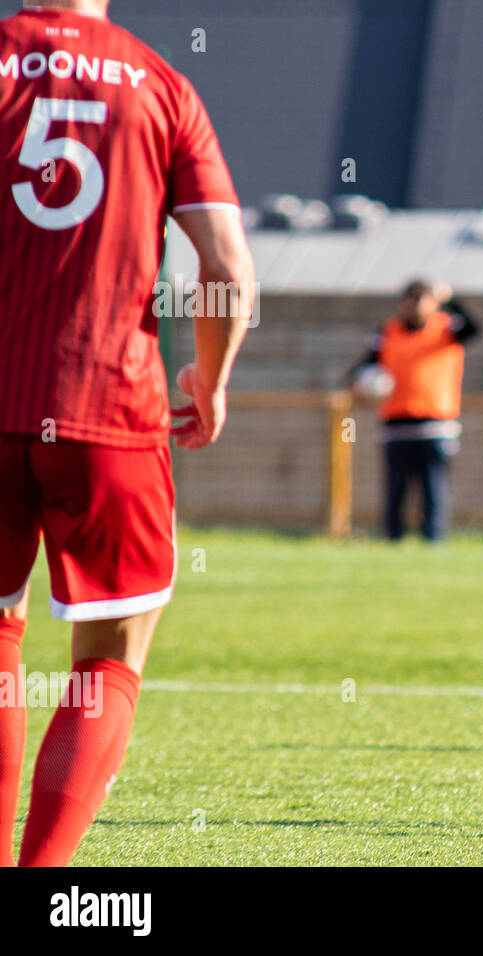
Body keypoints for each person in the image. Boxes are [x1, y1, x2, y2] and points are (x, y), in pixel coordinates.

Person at [0, 0, 253, 865]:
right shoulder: (161, 83)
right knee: (108, 655)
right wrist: (208, 381)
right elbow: (224, 269)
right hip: (109, 407)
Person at [348, 281, 479, 542]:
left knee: (433, 488)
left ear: (433, 302)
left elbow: (474, 328)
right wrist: (360, 385)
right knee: (395, 489)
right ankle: (392, 539)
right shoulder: (388, 332)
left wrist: (450, 299)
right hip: (396, 424)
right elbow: (363, 368)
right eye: (410, 300)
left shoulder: (446, 328)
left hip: (436, 425)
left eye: (422, 299)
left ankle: (434, 540)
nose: (415, 306)